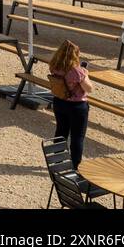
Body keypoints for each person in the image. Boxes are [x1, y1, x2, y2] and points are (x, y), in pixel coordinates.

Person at [48, 39, 92, 167]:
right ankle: (75, 165)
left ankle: (57, 160)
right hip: (76, 106)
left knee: (61, 132)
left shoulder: (54, 65)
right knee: (77, 137)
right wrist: (86, 74)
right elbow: (89, 88)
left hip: (59, 102)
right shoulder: (77, 71)